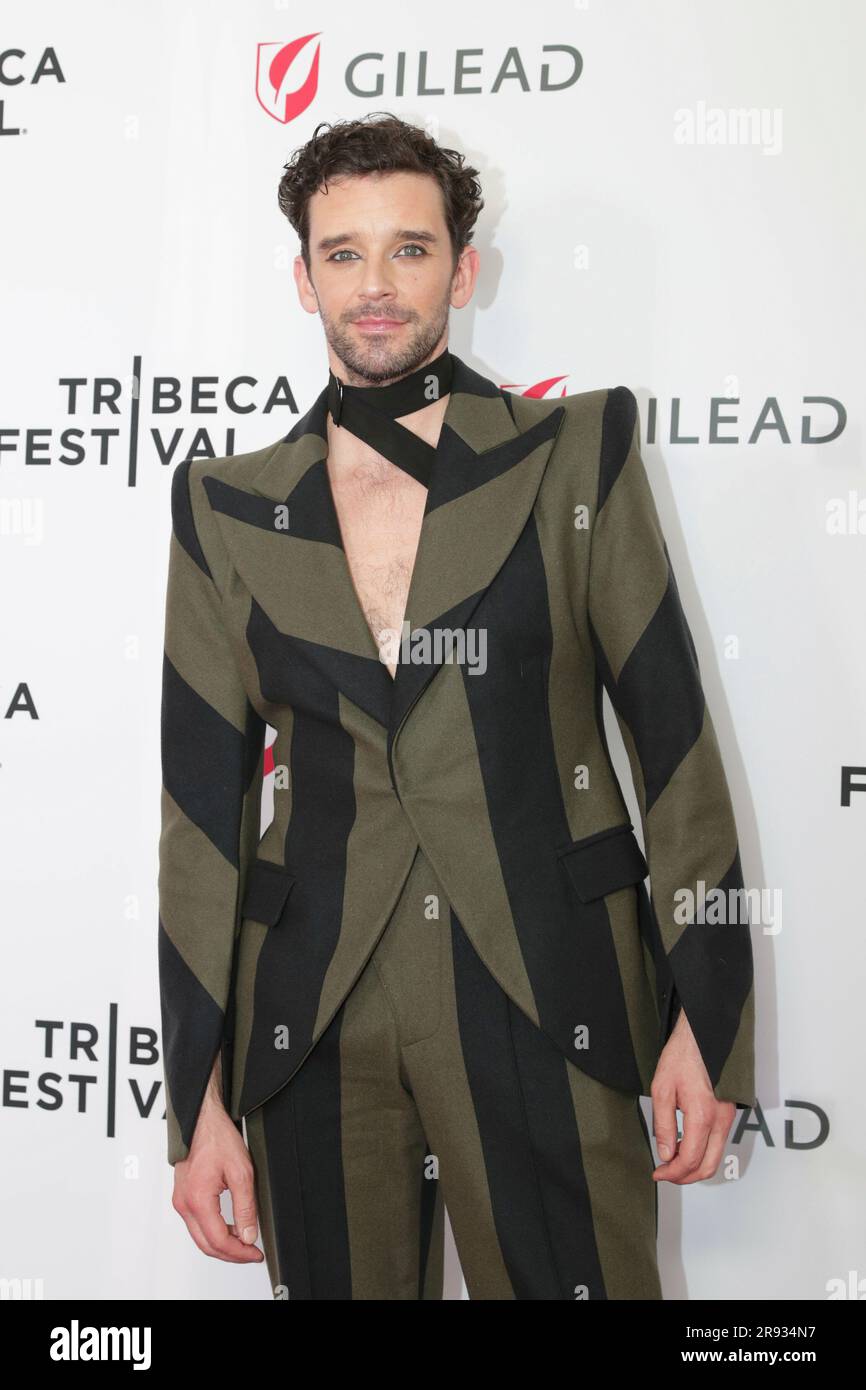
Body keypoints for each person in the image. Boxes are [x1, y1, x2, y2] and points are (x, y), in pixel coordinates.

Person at [158, 112, 755, 1299]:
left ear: (463, 269)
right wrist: (197, 1100)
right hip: (312, 1017)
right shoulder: (223, 506)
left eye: (409, 249)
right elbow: (195, 818)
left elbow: (674, 749)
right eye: (342, 253)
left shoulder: (576, 453)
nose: (374, 286)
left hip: (544, 985)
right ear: (301, 277)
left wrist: (710, 1019)